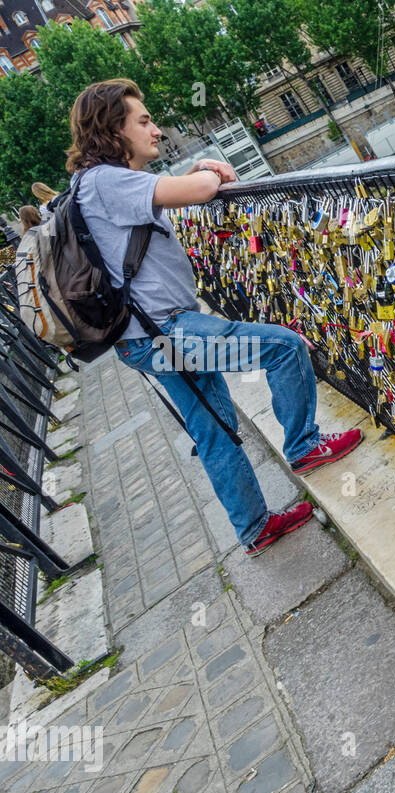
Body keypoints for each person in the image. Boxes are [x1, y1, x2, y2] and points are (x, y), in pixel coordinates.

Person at [66, 78, 362, 556]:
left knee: (213, 427)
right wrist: (206, 166)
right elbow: (200, 189)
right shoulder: (107, 181)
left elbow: (167, 191)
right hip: (168, 333)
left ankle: (254, 528)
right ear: (113, 131)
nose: (156, 130)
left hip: (143, 337)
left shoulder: (91, 184)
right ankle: (305, 447)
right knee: (284, 347)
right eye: (143, 121)